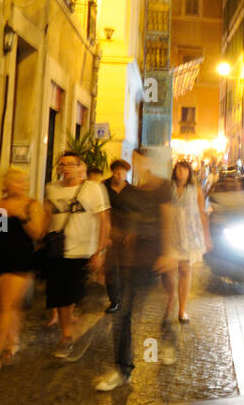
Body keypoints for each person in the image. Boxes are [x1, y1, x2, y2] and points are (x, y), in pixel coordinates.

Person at [96, 146, 178, 391]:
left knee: (154, 312)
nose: (137, 164)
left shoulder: (163, 188)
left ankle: (165, 344)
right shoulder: (134, 193)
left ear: (150, 162)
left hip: (155, 260)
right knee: (124, 315)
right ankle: (123, 369)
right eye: (135, 160)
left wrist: (169, 252)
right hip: (130, 261)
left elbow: (169, 220)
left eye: (139, 160)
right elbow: (124, 225)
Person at [0, 169, 44, 374]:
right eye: (17, 181)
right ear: (7, 185)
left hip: (20, 259)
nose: (22, 184)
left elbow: (37, 234)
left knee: (4, 305)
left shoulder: (31, 205)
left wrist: (21, 216)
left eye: (24, 180)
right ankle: (13, 341)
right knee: (3, 306)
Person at [44, 152, 110, 357]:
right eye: (62, 164)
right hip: (56, 250)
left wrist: (100, 251)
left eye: (71, 164)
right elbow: (47, 217)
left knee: (71, 294)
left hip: (82, 251)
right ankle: (66, 336)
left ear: (82, 167)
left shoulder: (93, 188)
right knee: (60, 296)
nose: (66, 168)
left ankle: (69, 330)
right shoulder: (51, 188)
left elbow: (104, 221)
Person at [167, 159, 212, 324]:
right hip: (171, 234)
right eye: (178, 169)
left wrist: (207, 236)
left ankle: (181, 310)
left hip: (189, 235)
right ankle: (171, 301)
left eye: (184, 170)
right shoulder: (168, 189)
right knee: (169, 271)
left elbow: (201, 213)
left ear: (189, 173)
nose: (181, 173)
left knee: (185, 271)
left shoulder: (197, 190)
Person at [101, 158, 136, 314]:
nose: (119, 175)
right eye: (116, 172)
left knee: (125, 267)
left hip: (127, 232)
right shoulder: (104, 187)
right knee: (110, 267)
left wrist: (132, 231)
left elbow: (136, 212)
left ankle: (123, 297)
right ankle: (114, 300)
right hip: (109, 231)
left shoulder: (132, 190)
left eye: (123, 172)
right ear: (112, 172)